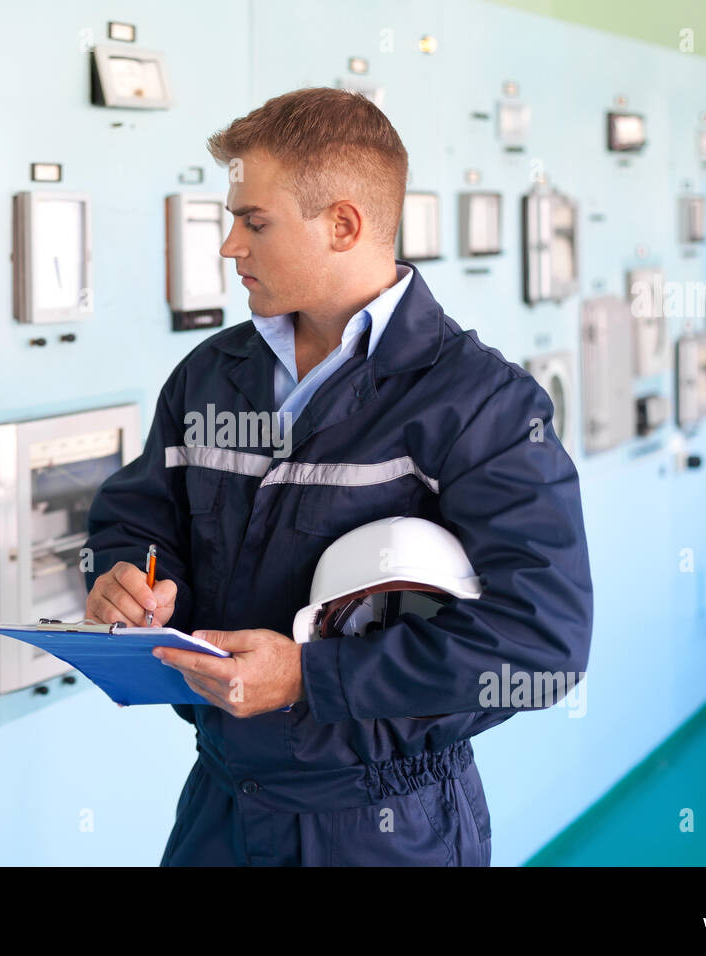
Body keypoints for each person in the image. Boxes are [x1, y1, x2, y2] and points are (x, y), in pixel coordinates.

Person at [83, 87, 593, 866]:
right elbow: (143, 517)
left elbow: (542, 647)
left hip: (385, 825)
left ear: (344, 225)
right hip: (222, 806)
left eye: (253, 223)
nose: (229, 247)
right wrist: (131, 575)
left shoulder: (479, 404)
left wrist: (313, 678)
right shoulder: (209, 377)